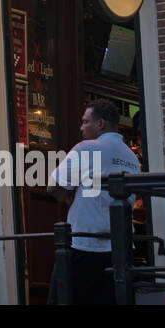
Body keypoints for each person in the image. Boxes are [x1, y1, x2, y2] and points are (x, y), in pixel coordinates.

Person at [47, 100, 140, 304]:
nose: (81, 128)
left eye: (85, 122)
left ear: (100, 124)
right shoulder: (132, 157)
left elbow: (52, 185)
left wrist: (67, 198)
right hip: (121, 248)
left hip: (85, 245)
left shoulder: (87, 148)